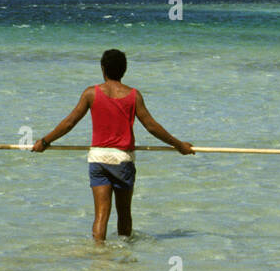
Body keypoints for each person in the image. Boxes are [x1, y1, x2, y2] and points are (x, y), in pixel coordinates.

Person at [33, 49, 193, 241]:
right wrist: (179, 145)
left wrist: (45, 141)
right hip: (122, 160)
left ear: (103, 69)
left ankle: (99, 257)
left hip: (98, 159)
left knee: (101, 214)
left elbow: (69, 123)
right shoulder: (134, 95)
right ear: (124, 70)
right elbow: (151, 126)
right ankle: (124, 257)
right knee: (124, 213)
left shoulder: (90, 93)